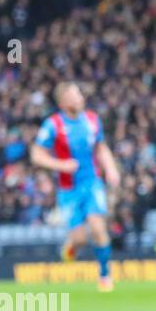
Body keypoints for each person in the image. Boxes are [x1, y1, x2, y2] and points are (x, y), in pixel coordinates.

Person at [30, 82, 121, 292]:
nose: (80, 97)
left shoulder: (92, 120)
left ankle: (105, 275)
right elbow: (36, 155)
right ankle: (70, 247)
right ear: (63, 102)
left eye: (79, 93)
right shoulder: (53, 124)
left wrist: (111, 169)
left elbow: (101, 147)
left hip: (92, 183)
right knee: (79, 238)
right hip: (68, 189)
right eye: (75, 94)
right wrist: (60, 164)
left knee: (98, 227)